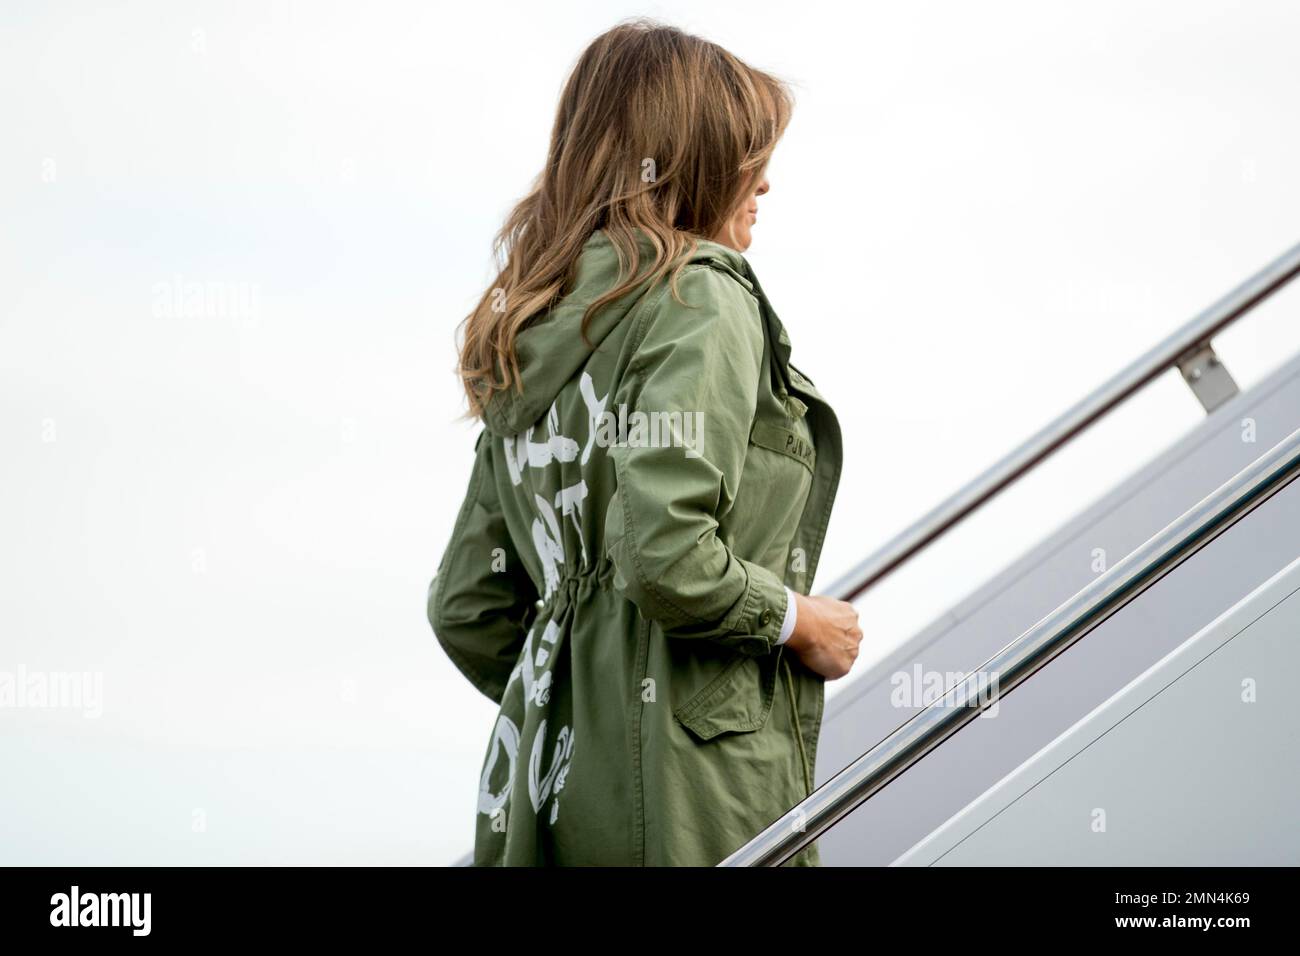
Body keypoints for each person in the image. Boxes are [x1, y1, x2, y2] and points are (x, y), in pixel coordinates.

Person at [427, 18, 863, 867]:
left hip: (544, 795)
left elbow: (467, 607)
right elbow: (666, 552)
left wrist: (583, 697)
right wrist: (796, 619)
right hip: (688, 797)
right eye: (747, 152)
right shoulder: (698, 297)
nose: (766, 182)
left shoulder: (533, 331)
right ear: (689, 158)